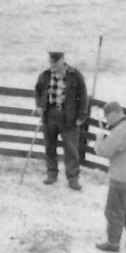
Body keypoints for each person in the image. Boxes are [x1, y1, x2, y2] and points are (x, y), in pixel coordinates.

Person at [92, 101, 126, 252]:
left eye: (107, 117)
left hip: (121, 177)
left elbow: (104, 151)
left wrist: (99, 139)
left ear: (114, 114)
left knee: (113, 209)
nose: (107, 121)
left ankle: (113, 243)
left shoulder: (120, 131)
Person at [34, 51, 88, 190]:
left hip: (69, 117)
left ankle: (73, 178)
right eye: (51, 62)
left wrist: (81, 116)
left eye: (55, 62)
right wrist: (40, 105)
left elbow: (82, 97)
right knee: (49, 146)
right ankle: (52, 174)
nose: (52, 65)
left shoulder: (75, 76)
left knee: (71, 149)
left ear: (62, 61)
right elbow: (38, 91)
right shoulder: (45, 75)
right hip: (50, 114)